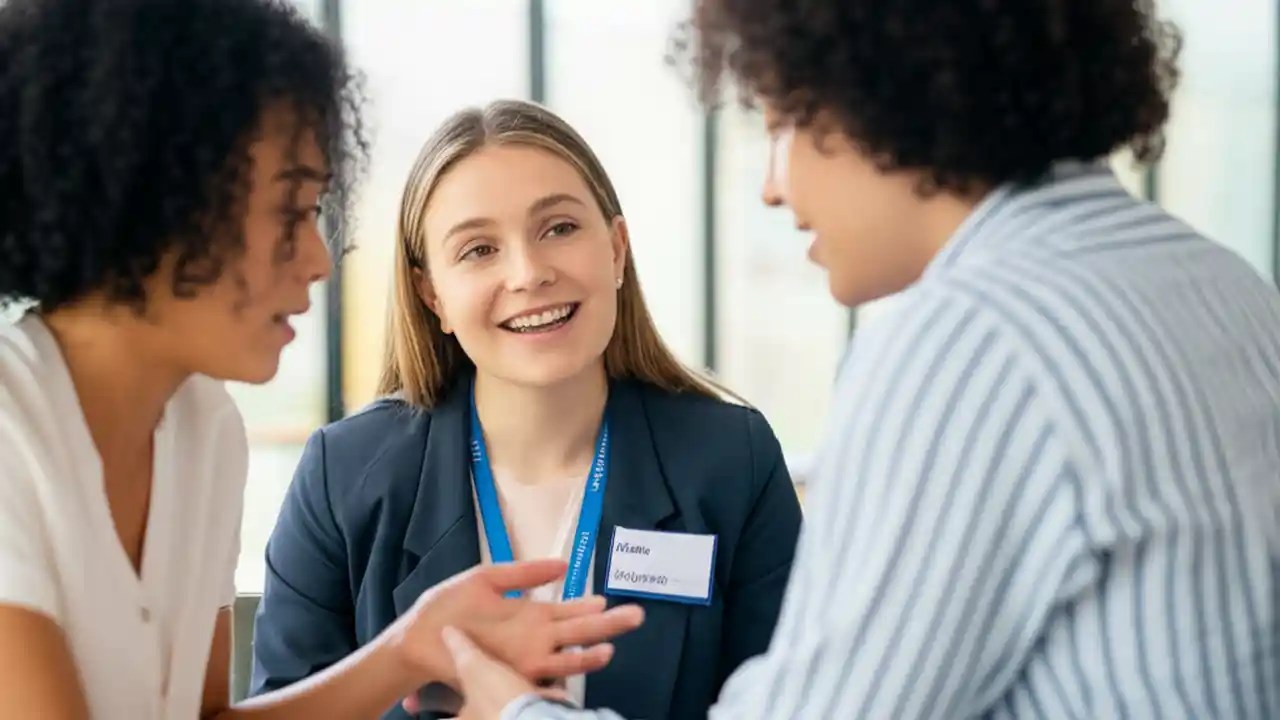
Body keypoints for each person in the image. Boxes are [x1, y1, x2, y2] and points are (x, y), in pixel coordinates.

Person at [436, 0, 1280, 718]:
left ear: (884, 95)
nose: (773, 184)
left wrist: (512, 707)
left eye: (780, 123)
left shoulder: (972, 336)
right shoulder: (1219, 280)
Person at [0, 2, 642, 718]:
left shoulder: (202, 428)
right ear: (158, 200)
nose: (316, 261)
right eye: (289, 213)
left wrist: (412, 647)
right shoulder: (10, 429)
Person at [249, 98, 804, 720]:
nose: (529, 273)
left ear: (616, 250)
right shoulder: (343, 472)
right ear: (433, 294)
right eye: (478, 250)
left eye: (559, 229)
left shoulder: (733, 460)